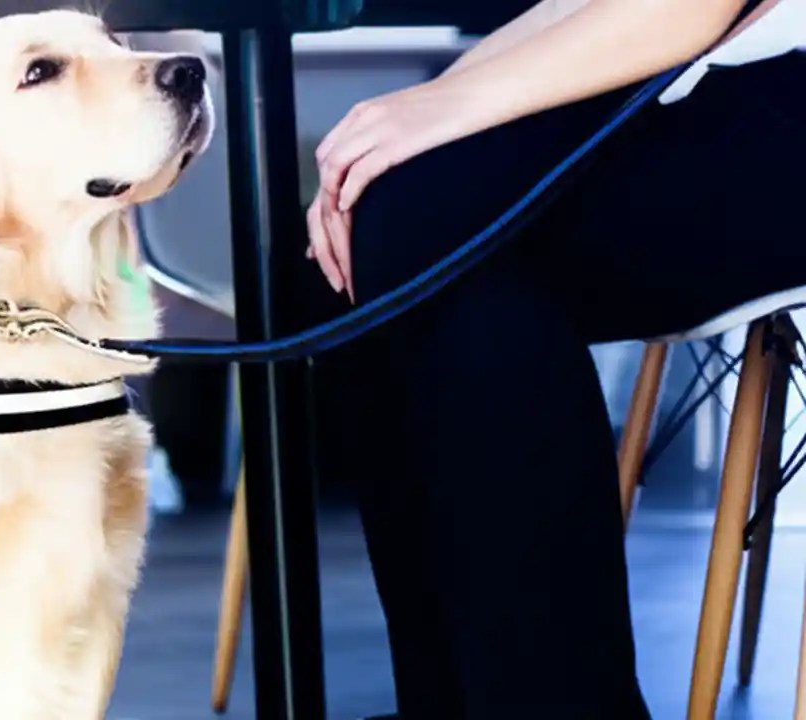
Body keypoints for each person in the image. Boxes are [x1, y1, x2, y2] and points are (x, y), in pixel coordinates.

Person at [295, 0, 804, 717]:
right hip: (706, 76)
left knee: (414, 222)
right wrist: (402, 121)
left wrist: (433, 117)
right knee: (347, 248)